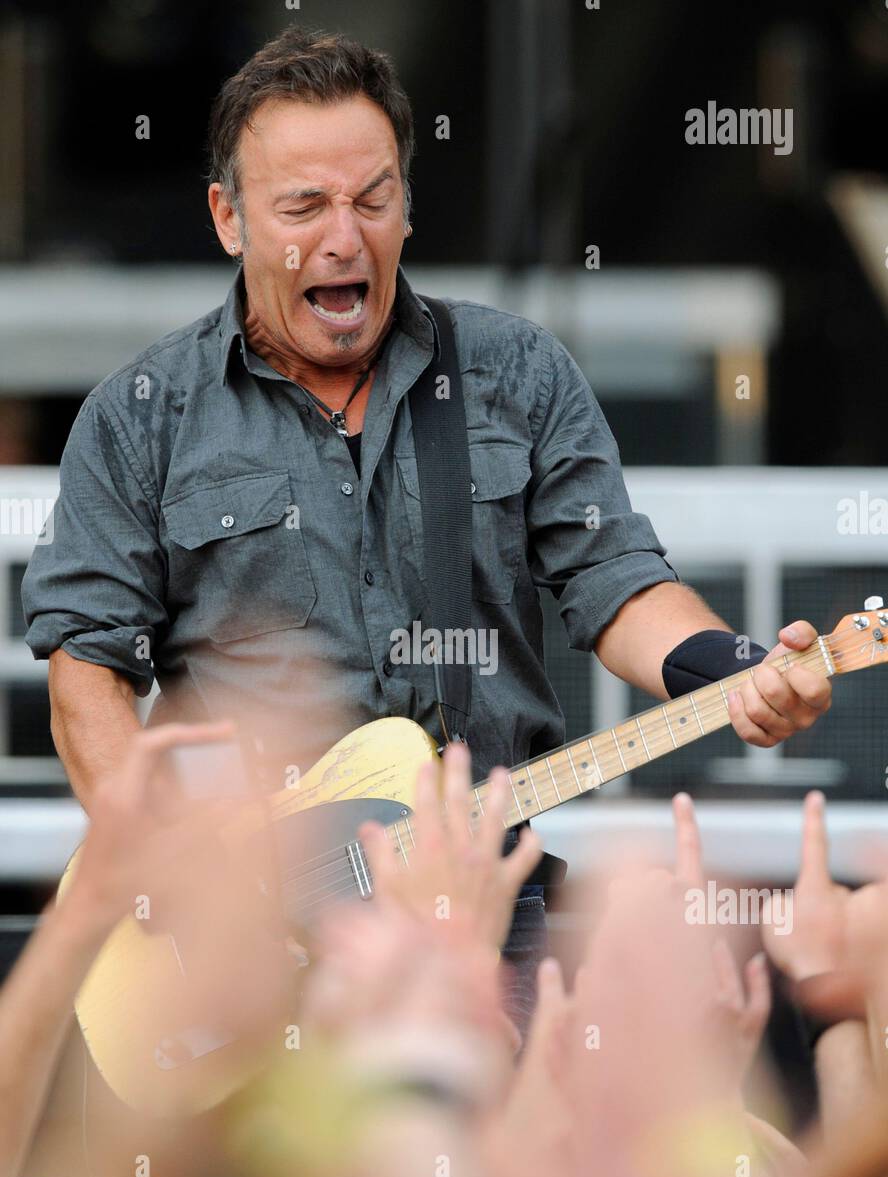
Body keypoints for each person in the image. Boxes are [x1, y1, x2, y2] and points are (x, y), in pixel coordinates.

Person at [20, 25, 832, 1029]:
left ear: (407, 201)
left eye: (372, 198)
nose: (343, 237)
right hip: (247, 932)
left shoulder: (516, 374)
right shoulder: (142, 412)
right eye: (303, 206)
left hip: (486, 899)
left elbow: (615, 580)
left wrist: (738, 668)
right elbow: (85, 678)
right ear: (228, 217)